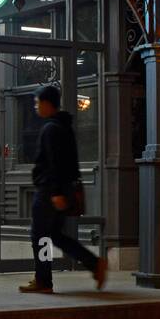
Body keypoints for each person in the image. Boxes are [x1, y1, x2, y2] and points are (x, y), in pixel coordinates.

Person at [20, 82, 106, 295]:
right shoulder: (63, 126)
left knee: (39, 236)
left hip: (49, 191)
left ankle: (43, 281)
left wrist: (56, 192)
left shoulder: (51, 129)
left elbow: (55, 163)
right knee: (55, 235)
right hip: (57, 189)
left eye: (37, 102)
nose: (35, 106)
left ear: (48, 104)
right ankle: (93, 263)